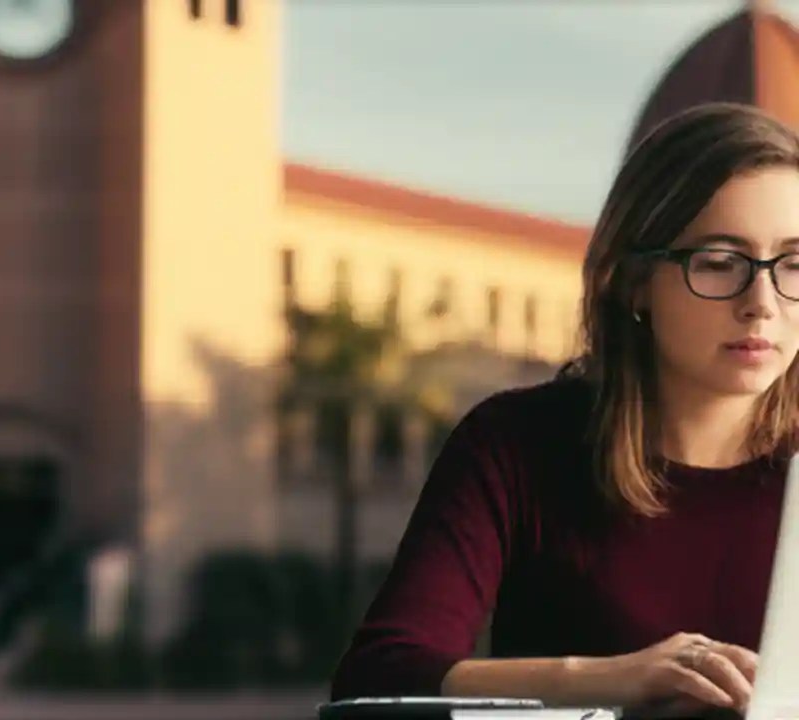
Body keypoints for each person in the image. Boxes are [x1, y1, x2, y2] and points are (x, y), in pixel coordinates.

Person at [329, 102, 799, 716]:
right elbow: (377, 678)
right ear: (632, 281)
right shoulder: (515, 446)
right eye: (718, 262)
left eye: (793, 263)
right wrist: (611, 680)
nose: (761, 302)